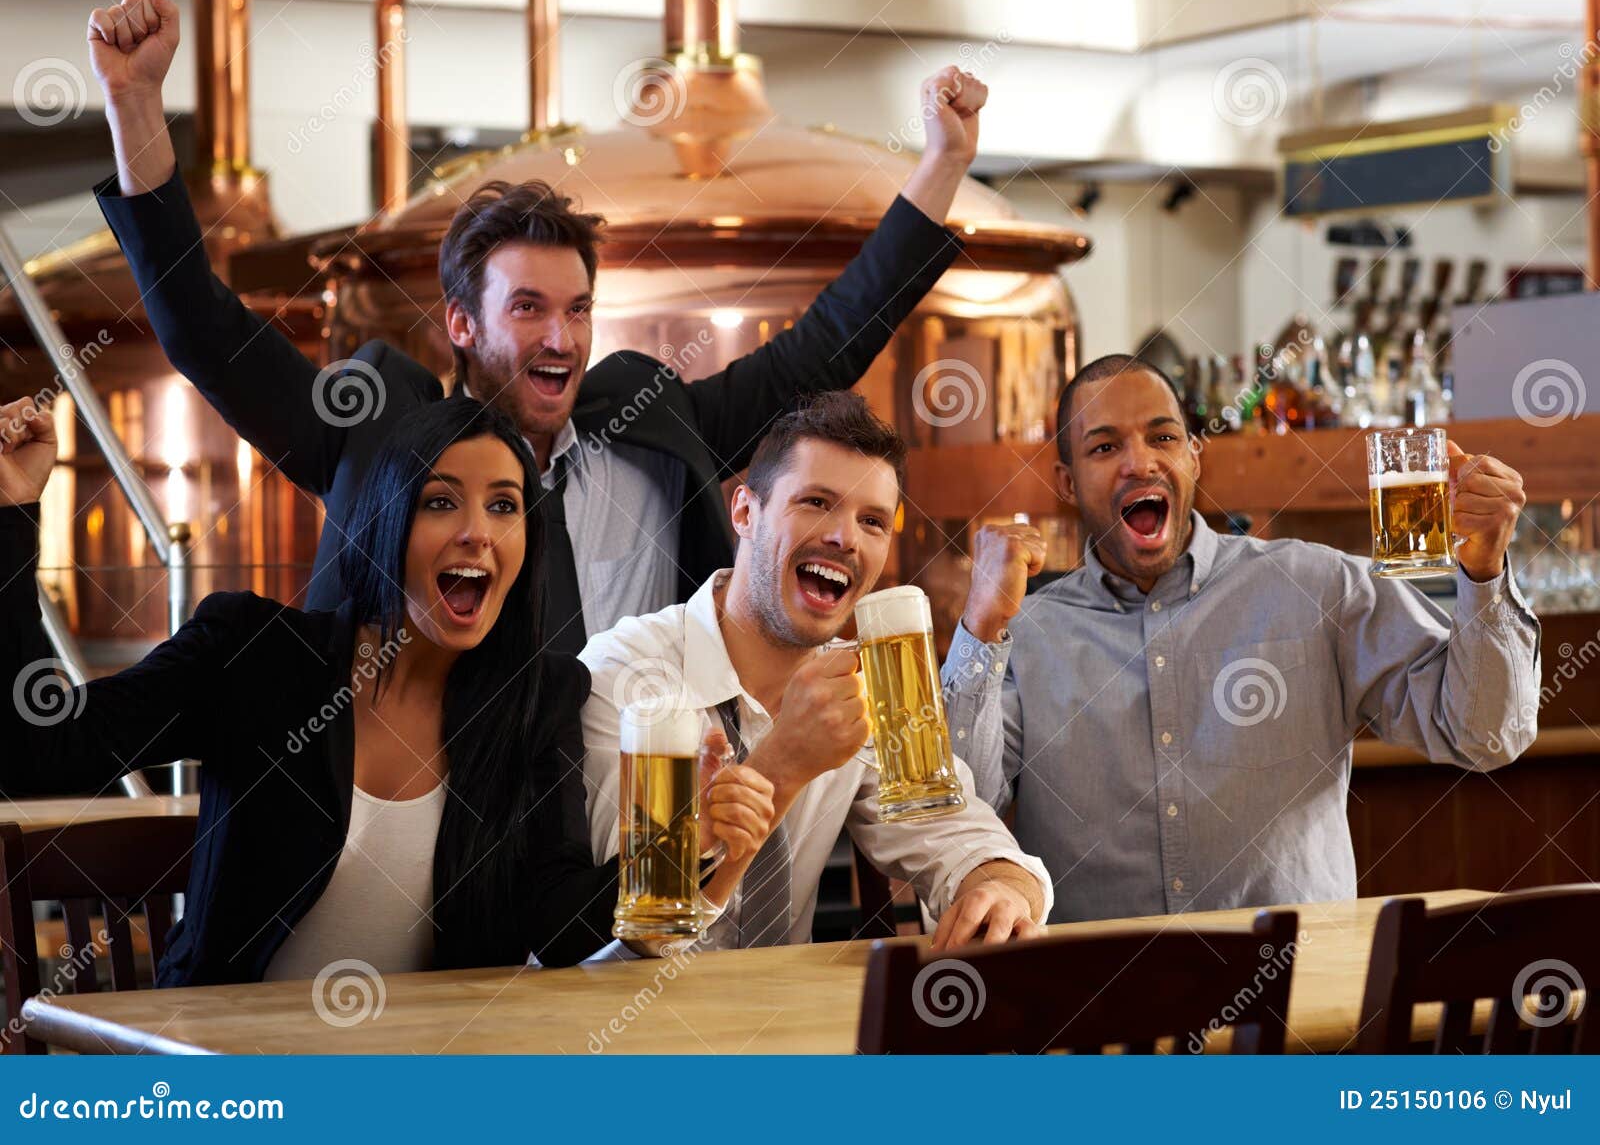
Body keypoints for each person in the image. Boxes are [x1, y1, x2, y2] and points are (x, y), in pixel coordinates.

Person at [86, 0, 986, 653]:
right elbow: (205, 332)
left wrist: (942, 163)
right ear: (461, 327)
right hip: (443, 840)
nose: (561, 337)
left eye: (578, 309)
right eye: (528, 308)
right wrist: (135, 109)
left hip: (642, 819)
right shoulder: (385, 429)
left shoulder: (647, 419)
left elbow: (819, 349)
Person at [0, 396, 774, 984]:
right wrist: (7, 519)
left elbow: (563, 922)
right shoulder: (257, 654)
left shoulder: (538, 699)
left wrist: (682, 839)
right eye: (442, 501)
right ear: (388, 522)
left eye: (504, 505)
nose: (478, 530)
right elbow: (40, 750)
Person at [942, 353, 1541, 923]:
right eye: (1105, 447)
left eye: (1164, 438)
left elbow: (1485, 735)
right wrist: (980, 626)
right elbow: (955, 816)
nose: (1140, 463)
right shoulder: (1025, 632)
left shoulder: (1319, 584)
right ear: (1067, 483)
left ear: (1196, 457)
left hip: (1300, 1007)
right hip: (1103, 1008)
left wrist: (1483, 571)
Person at [580, 392, 1052, 952]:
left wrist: (1001, 887)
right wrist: (783, 761)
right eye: (816, 502)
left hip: (795, 1026)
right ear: (744, 513)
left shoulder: (863, 689)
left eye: (872, 521)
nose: (845, 537)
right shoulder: (628, 675)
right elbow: (627, 942)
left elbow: (959, 834)